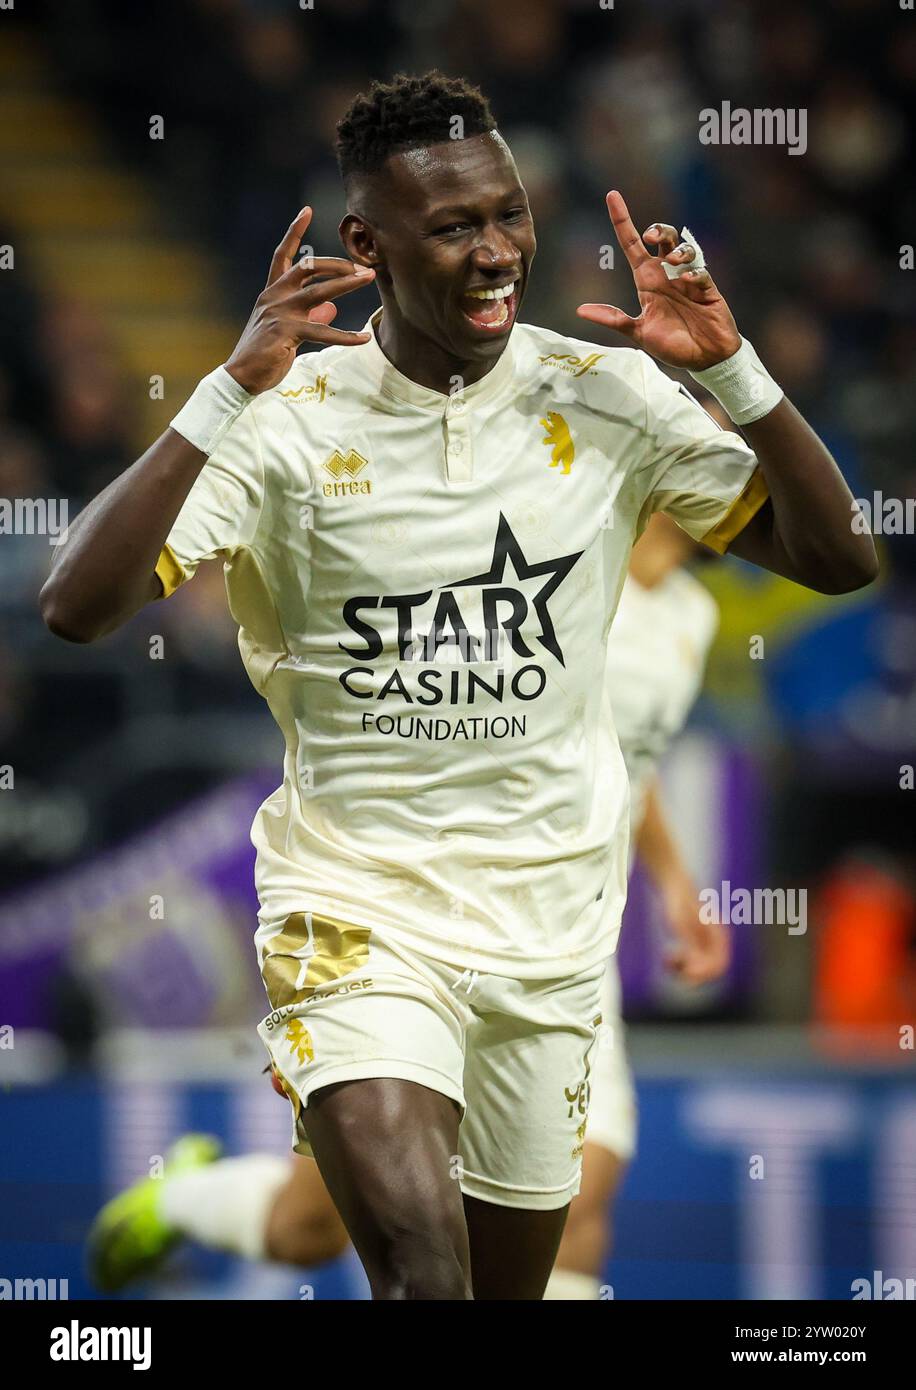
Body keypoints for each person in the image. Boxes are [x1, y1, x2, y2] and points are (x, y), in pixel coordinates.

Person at [44, 71, 876, 1300]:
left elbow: (840, 557)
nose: (495, 253)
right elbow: (77, 602)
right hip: (358, 911)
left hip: (550, 937)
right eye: (453, 228)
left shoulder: (606, 396)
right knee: (421, 1275)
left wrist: (736, 373)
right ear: (367, 245)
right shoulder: (286, 420)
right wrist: (224, 393)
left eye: (508, 217)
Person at [85, 512, 727, 1300]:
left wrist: (675, 885)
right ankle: (180, 1198)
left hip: (565, 938)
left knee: (582, 1195)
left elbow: (627, 761)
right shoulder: (554, 556)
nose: (726, 455)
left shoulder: (694, 617)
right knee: (312, 1229)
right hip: (420, 919)